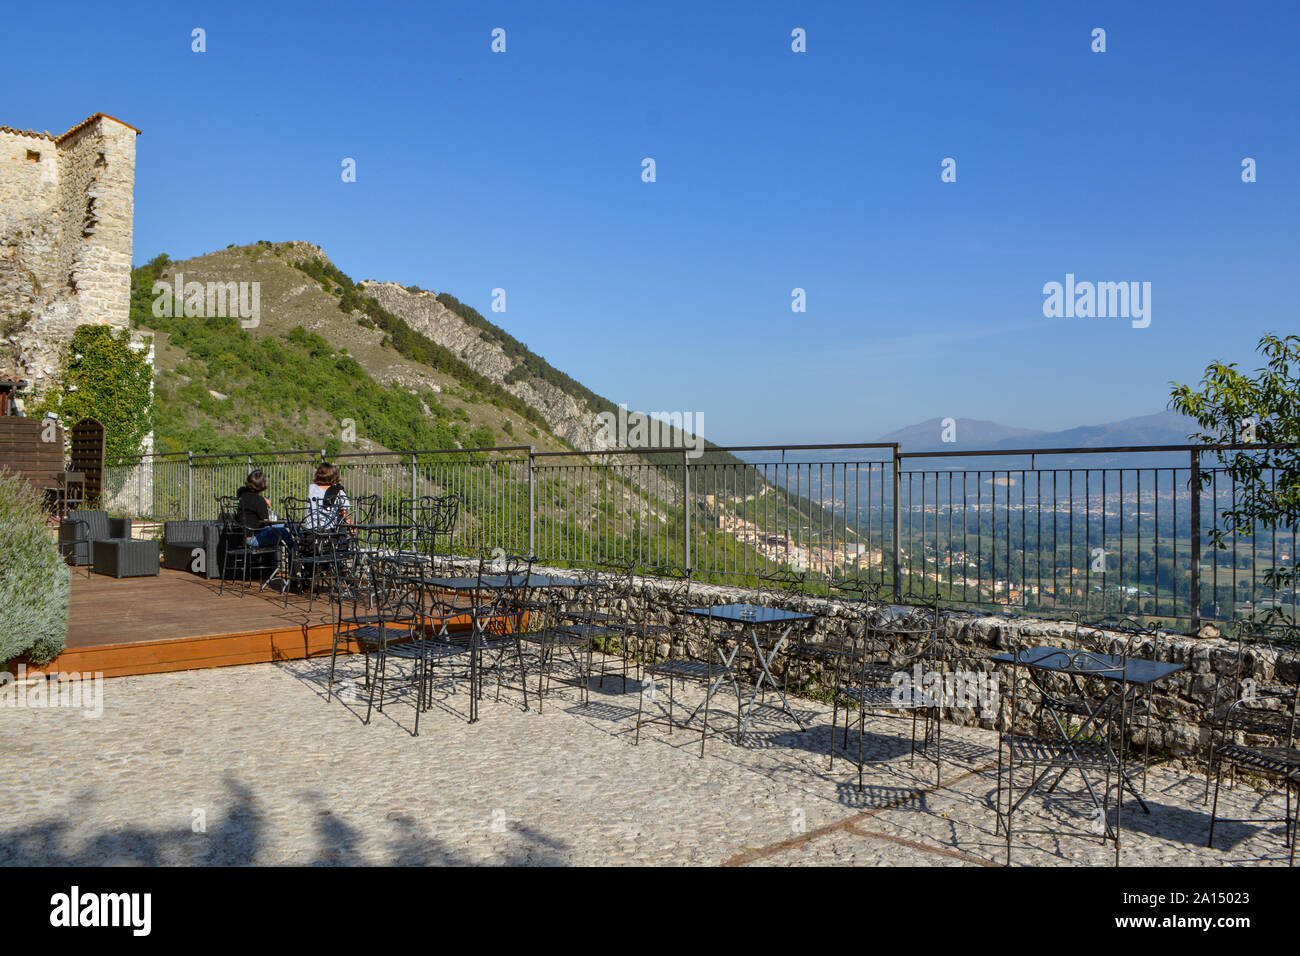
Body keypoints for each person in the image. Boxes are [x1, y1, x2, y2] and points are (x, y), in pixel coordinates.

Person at [237, 470, 293, 551]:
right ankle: (295, 556)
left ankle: (294, 553)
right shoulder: (259, 501)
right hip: (254, 539)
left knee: (286, 526)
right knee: (285, 531)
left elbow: (241, 490)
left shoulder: (243, 495)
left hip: (243, 537)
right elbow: (266, 521)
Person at [304, 462, 352, 532]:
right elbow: (345, 512)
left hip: (310, 531)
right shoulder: (338, 491)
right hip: (329, 532)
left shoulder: (311, 488)